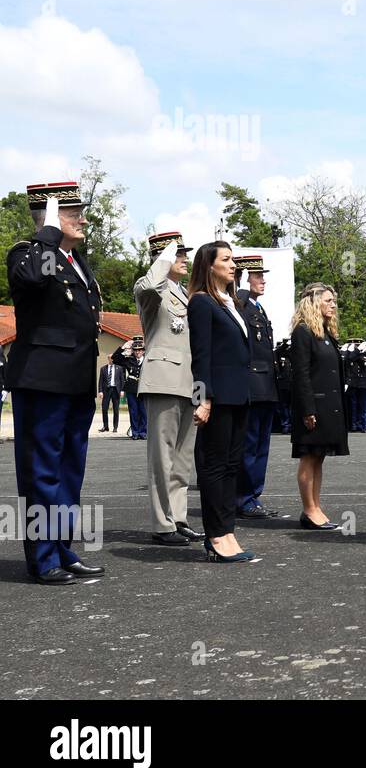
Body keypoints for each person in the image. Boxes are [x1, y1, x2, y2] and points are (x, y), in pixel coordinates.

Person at [6, 181, 105, 584]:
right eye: (71, 213)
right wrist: (47, 231)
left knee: (68, 472)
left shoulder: (75, 260)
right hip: (42, 381)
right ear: (48, 216)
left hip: (76, 382)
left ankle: (63, 548)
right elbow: (30, 279)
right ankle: (42, 558)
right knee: (41, 472)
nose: (82, 219)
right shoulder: (28, 253)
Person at [188, 241, 258, 564]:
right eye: (226, 260)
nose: (233, 265)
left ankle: (228, 531)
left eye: (233, 260)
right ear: (209, 266)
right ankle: (215, 536)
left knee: (232, 466)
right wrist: (202, 399)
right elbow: (201, 356)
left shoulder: (231, 302)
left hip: (238, 397)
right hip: (216, 399)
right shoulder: (202, 303)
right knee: (214, 468)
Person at [134, 232, 203, 547]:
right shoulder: (150, 288)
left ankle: (178, 517)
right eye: (179, 254)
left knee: (182, 457)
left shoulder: (185, 293)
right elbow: (150, 285)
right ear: (163, 258)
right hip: (163, 379)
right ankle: (162, 524)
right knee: (162, 456)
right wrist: (164, 257)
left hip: (188, 381)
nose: (185, 259)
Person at [289, 283, 348, 531]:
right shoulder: (303, 332)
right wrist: (308, 410)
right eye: (327, 300)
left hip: (329, 407)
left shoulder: (325, 333)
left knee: (319, 458)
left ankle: (316, 507)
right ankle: (308, 509)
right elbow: (301, 375)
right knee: (309, 457)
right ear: (313, 303)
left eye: (333, 300)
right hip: (313, 407)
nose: (333, 304)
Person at [235, 255, 283, 519]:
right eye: (257, 276)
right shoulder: (241, 304)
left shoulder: (257, 307)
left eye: (262, 276)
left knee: (261, 445)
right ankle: (243, 498)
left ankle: (253, 496)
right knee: (250, 445)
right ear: (244, 277)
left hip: (266, 385)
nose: (262, 280)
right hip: (253, 384)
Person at [98, 356, 124, 432]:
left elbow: (122, 380)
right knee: (104, 409)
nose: (111, 359)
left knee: (116, 410)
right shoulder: (103, 368)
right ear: (108, 359)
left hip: (116, 390)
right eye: (110, 358)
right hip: (106, 390)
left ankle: (115, 427)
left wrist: (122, 390)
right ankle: (105, 426)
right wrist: (100, 391)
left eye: (113, 358)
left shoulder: (119, 368)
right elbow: (100, 381)